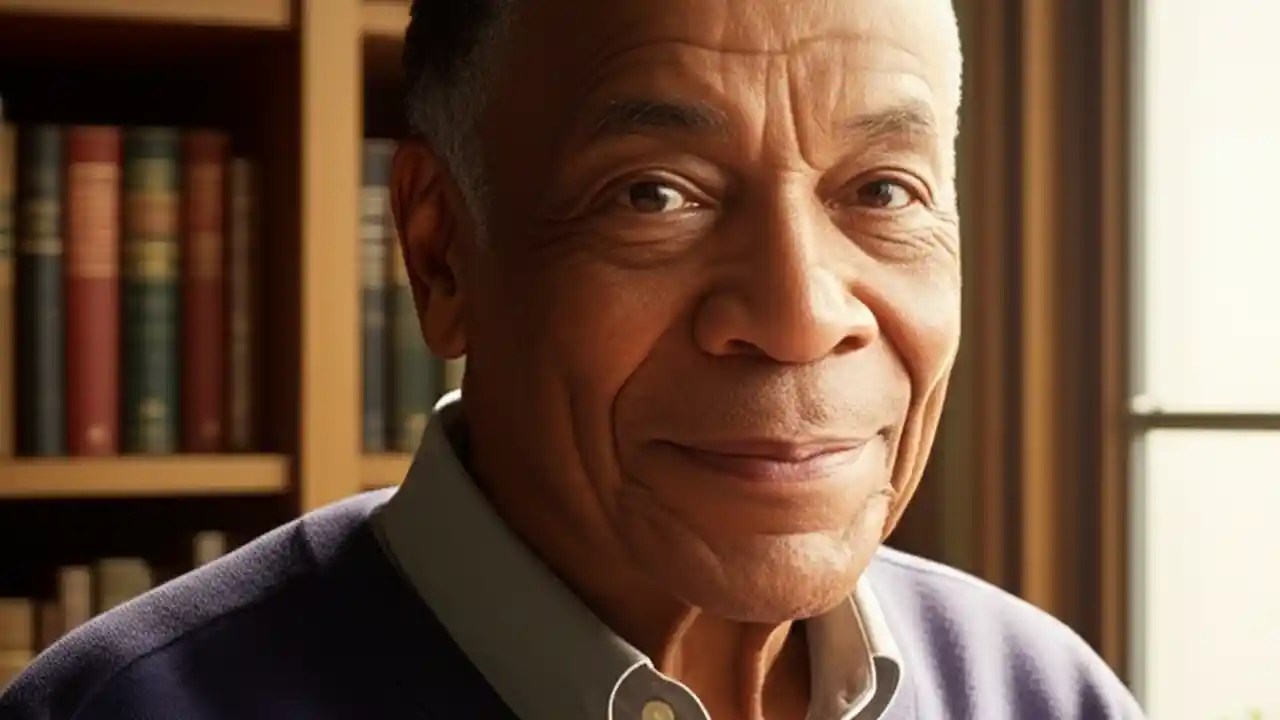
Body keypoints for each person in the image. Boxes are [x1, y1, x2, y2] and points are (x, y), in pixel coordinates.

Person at [0, 0, 1147, 718]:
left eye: (882, 192)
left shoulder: (1040, 692)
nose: (798, 317)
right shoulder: (131, 707)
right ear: (441, 254)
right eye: (654, 195)